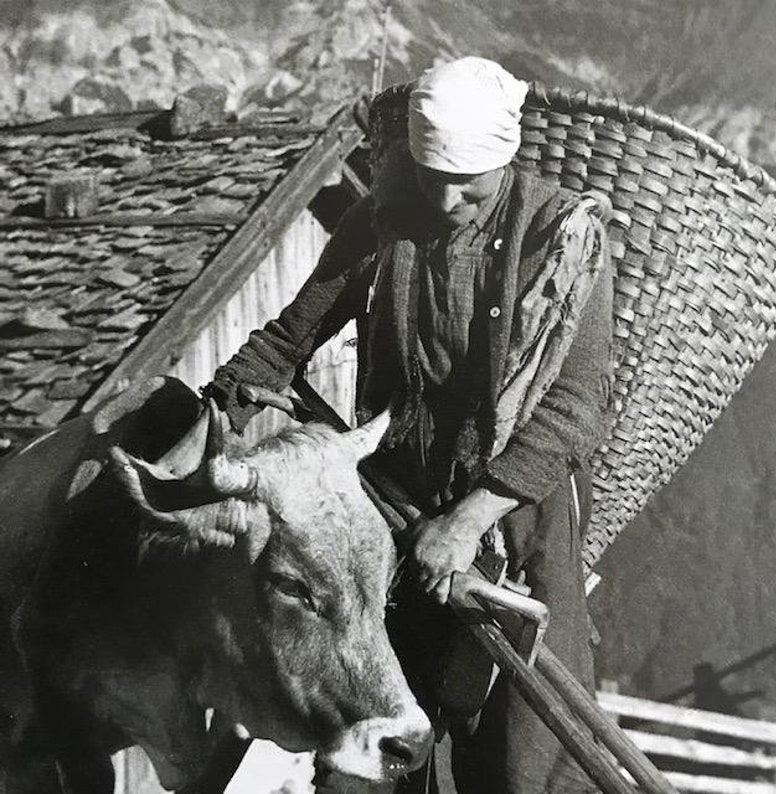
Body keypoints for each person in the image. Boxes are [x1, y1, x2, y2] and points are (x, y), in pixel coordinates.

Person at [206, 57, 614, 794]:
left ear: (508, 159)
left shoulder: (562, 240)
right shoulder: (381, 220)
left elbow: (576, 408)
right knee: (375, 745)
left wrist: (465, 524)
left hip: (514, 525)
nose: (449, 198)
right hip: (389, 514)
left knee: (525, 758)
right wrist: (221, 398)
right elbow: (286, 341)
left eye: (472, 184)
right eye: (434, 176)